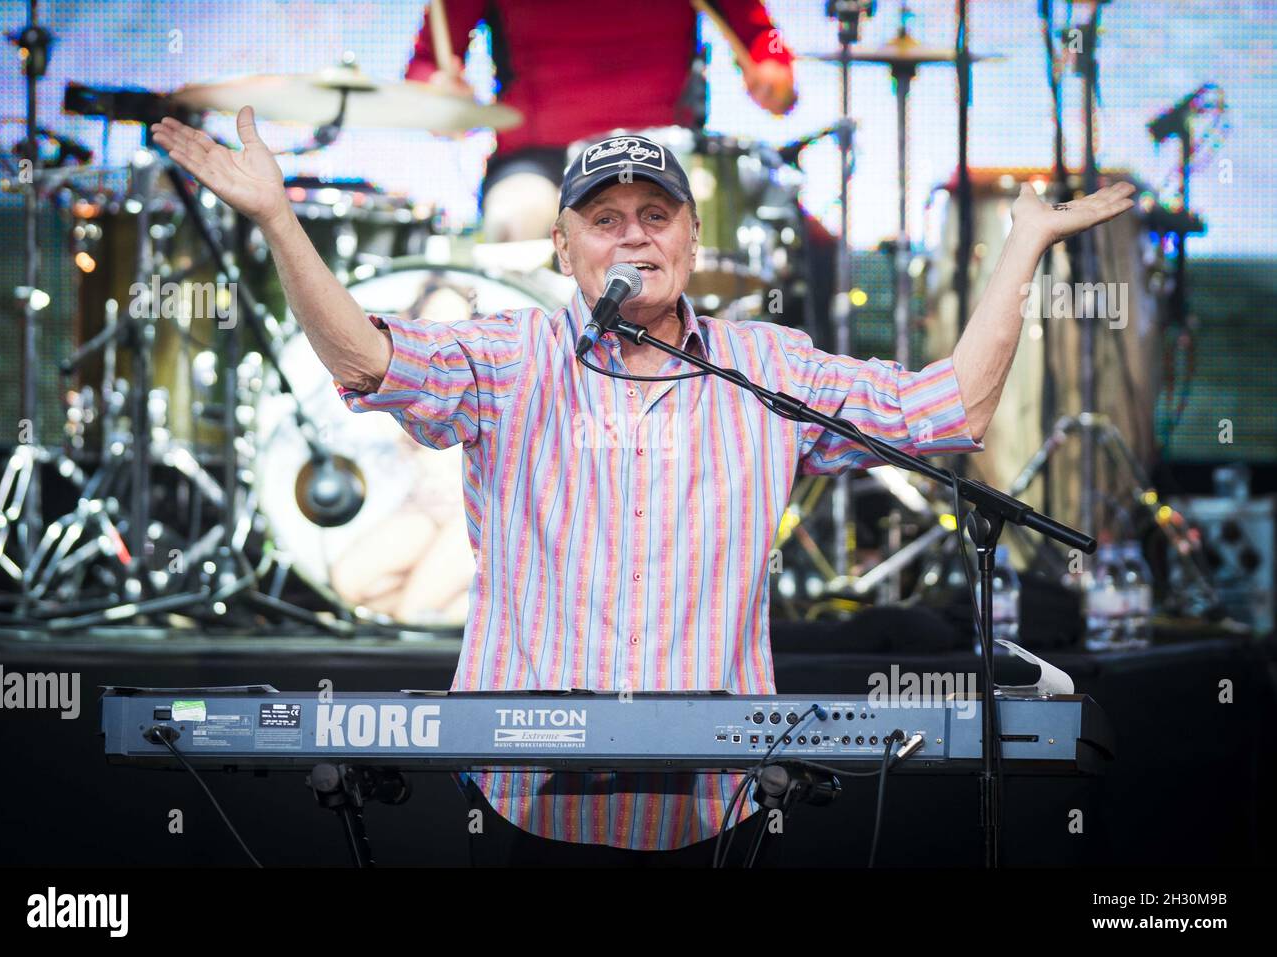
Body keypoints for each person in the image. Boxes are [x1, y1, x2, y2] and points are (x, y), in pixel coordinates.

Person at [151, 111, 1135, 865]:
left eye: (655, 217)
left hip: (715, 801)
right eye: (606, 219)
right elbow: (367, 362)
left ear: (691, 240)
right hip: (522, 788)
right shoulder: (509, 359)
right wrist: (280, 221)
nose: (634, 237)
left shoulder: (767, 367)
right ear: (564, 249)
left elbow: (946, 413)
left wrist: (1023, 246)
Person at [408, 0, 797, 241]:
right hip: (539, 160)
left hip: (660, 155)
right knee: (516, 218)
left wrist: (774, 64)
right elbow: (425, 64)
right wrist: (437, 91)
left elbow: (767, 36)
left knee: (704, 228)